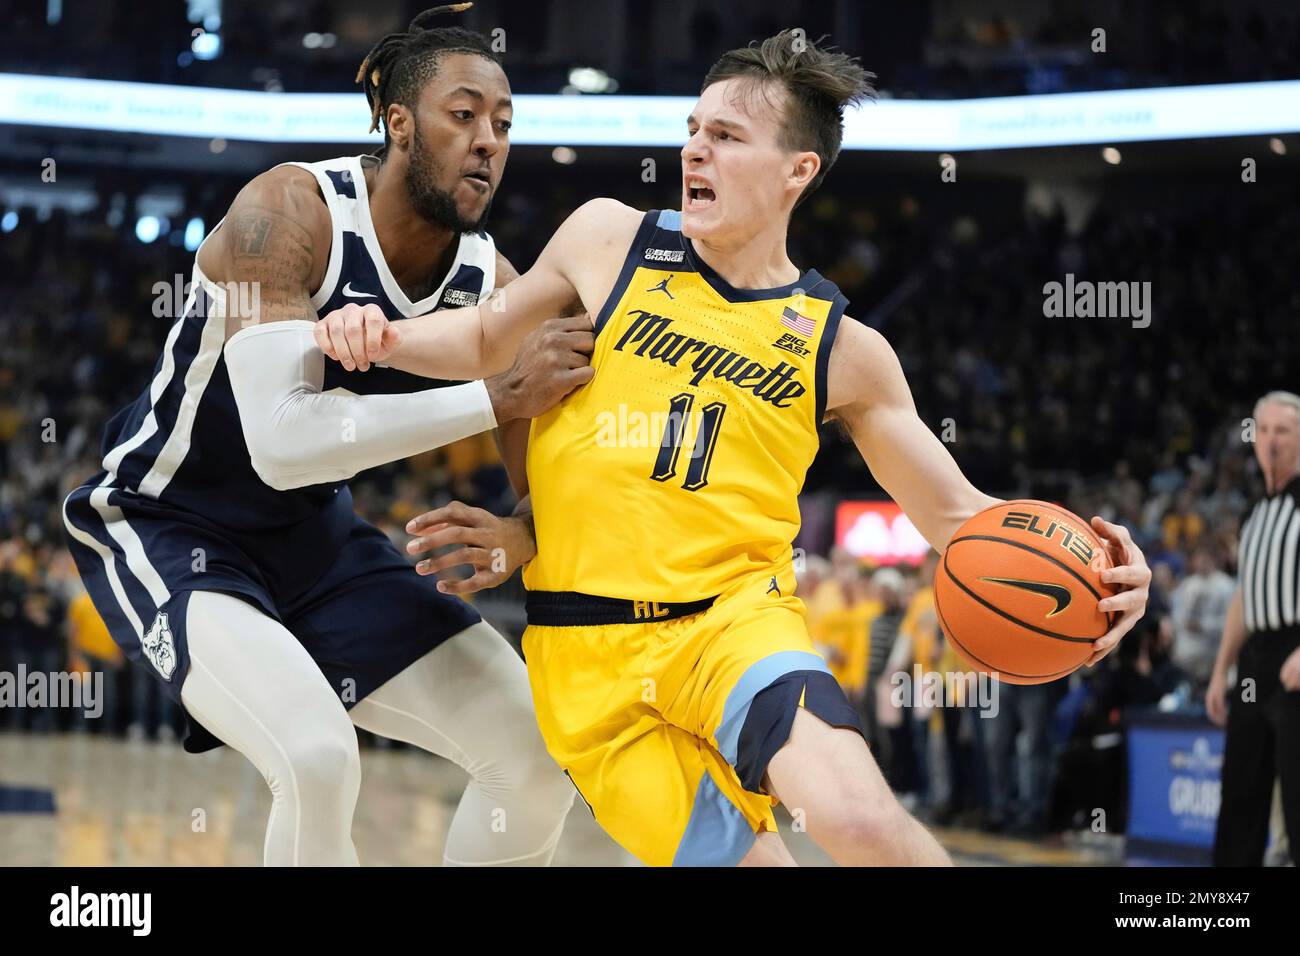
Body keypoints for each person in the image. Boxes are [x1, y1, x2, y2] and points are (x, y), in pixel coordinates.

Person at [317, 29, 1152, 866]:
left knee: (857, 819)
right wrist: (379, 335)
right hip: (586, 661)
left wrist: (1101, 576)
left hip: (734, 627)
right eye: (693, 129)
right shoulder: (611, 239)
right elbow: (484, 339)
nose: (695, 150)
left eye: (727, 137)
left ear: (799, 171)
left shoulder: (844, 348)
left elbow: (962, 515)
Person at [61, 6, 580, 866]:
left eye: (503, 124)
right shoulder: (288, 209)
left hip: (319, 544)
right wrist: (493, 395)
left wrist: (527, 530)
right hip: (171, 524)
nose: (488, 140)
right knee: (315, 756)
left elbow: (544, 467)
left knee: (532, 754)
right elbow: (281, 441)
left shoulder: (494, 285)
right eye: (464, 116)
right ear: (400, 124)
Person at [1208, 390, 1300, 866]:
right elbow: (1246, 595)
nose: (1270, 441)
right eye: (1262, 431)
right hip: (1255, 658)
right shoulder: (1255, 510)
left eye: (1282, 431)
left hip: (1295, 652)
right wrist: (1221, 667)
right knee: (1240, 791)